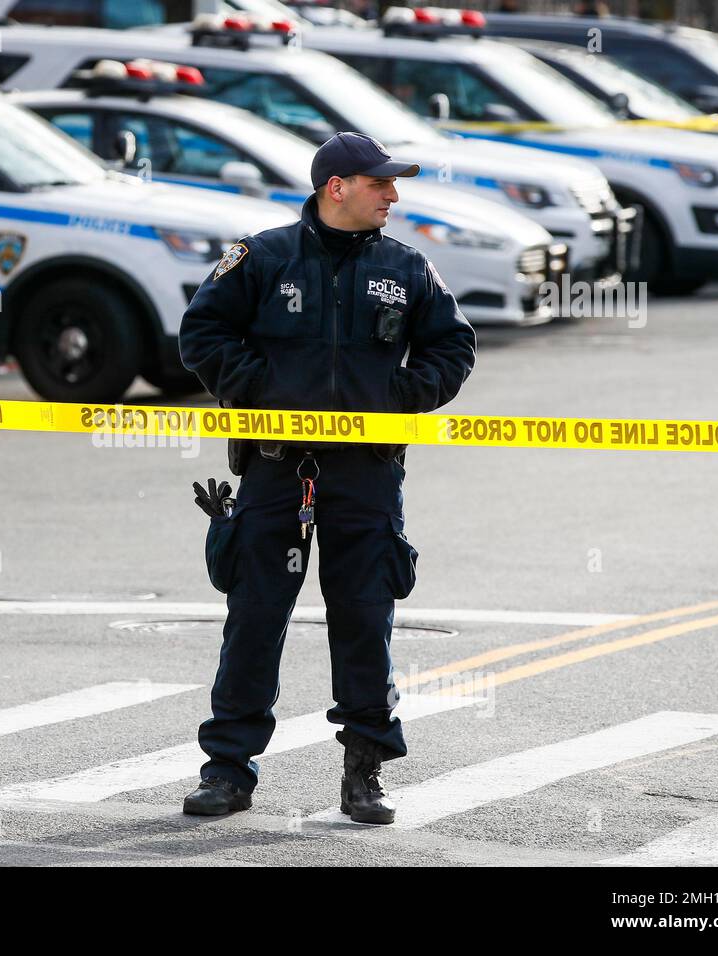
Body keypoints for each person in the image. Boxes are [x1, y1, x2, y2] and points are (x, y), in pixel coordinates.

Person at [177, 132, 476, 824]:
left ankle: (364, 770)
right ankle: (228, 771)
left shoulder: (405, 267)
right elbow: (203, 334)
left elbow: (453, 344)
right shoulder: (263, 256)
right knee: (253, 619)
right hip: (278, 468)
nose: (393, 196)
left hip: (365, 475)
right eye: (380, 185)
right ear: (335, 186)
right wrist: (263, 394)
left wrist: (402, 397)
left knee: (366, 621)